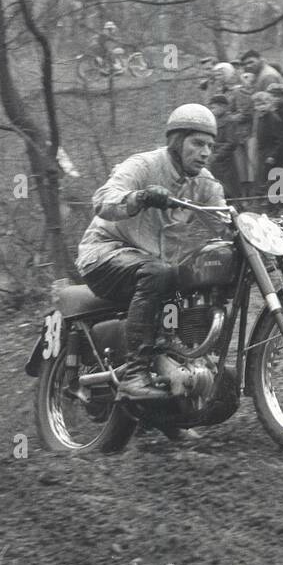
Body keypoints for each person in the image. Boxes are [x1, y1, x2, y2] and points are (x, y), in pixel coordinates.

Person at [76, 104, 226, 400]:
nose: (206, 152)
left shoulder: (204, 183)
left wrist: (259, 231)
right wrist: (140, 197)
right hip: (104, 252)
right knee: (158, 272)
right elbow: (103, 200)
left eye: (210, 145)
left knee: (192, 280)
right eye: (197, 143)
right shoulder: (144, 165)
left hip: (152, 265)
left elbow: (223, 220)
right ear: (176, 140)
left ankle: (179, 378)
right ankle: (134, 376)